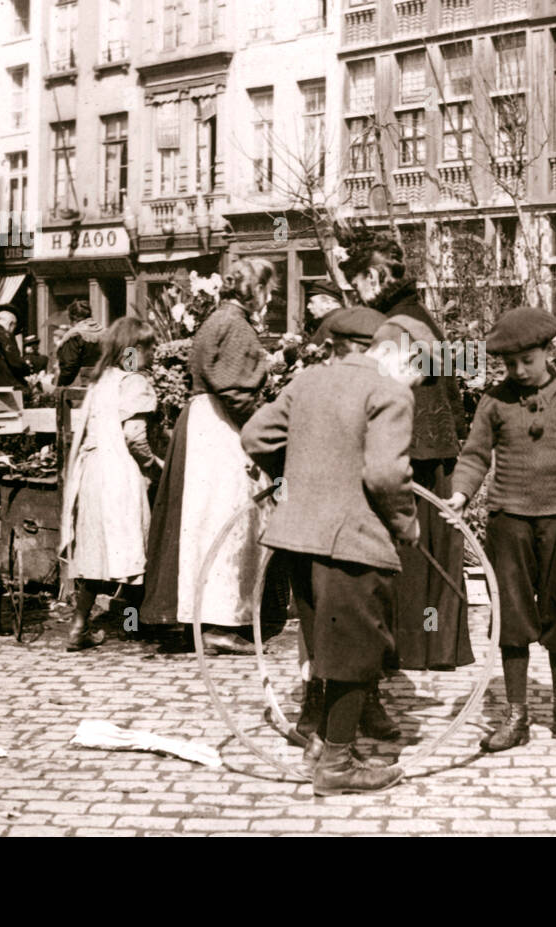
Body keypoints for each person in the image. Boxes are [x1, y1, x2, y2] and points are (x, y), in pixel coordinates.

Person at [241, 316, 433, 795]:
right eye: (417, 370)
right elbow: (386, 476)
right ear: (398, 356)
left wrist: (304, 481)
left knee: (326, 649)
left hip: (296, 541)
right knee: (354, 654)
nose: (415, 383)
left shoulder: (308, 380)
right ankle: (338, 767)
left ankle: (321, 746)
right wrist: (406, 524)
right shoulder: (390, 392)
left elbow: (256, 437)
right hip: (353, 542)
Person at [446, 307, 556, 751]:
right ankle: (516, 716)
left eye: (528, 361)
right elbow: (476, 454)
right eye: (510, 364)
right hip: (509, 523)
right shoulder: (494, 402)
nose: (519, 371)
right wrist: (461, 494)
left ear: (547, 351)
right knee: (512, 616)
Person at [343, 235, 471, 737]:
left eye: (356, 283)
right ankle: (428, 645)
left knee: (405, 555)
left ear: (374, 279)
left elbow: (380, 396)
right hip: (434, 445)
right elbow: (452, 382)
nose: (354, 294)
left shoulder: (392, 327)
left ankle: (403, 647)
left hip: (407, 451)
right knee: (429, 557)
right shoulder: (420, 314)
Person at [141, 258, 277, 653]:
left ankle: (198, 619)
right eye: (267, 291)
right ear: (255, 290)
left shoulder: (215, 321)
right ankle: (218, 625)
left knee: (198, 525)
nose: (268, 300)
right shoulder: (236, 326)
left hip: (201, 423)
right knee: (226, 523)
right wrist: (268, 425)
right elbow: (236, 392)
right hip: (220, 428)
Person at [59, 318, 163, 651]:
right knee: (134, 546)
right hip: (119, 473)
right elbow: (134, 437)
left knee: (95, 550)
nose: (153, 353)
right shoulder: (133, 383)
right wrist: (155, 465)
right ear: (134, 350)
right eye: (148, 347)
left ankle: (78, 626)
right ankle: (132, 625)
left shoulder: (101, 380)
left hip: (92, 473)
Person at [57, 300, 104, 387]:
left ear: (71, 318)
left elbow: (69, 366)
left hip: (80, 386)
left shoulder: (74, 335)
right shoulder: (106, 332)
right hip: (104, 383)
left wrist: (60, 385)